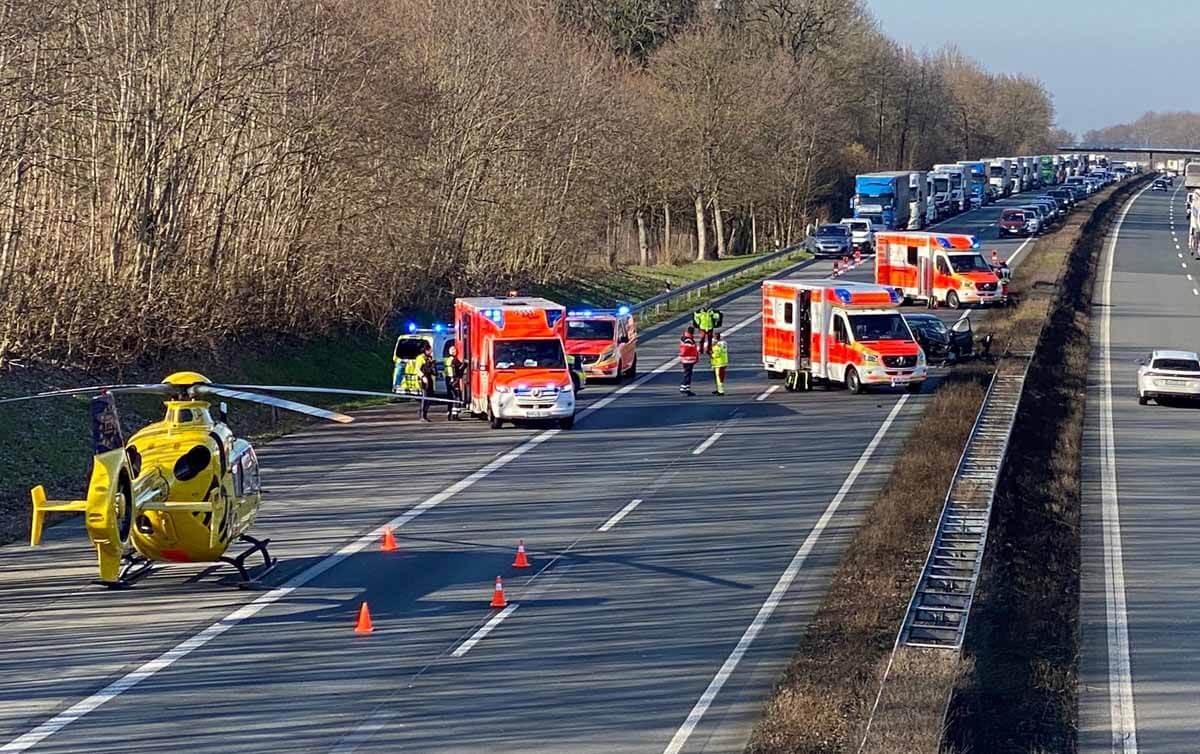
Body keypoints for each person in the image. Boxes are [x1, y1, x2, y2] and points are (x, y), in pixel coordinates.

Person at [443, 343, 466, 420]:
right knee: (457, 397)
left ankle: (449, 413)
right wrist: (465, 364)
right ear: (452, 352)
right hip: (454, 380)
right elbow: (460, 369)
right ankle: (455, 415)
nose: (455, 351)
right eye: (454, 350)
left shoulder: (447, 360)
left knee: (449, 397)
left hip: (448, 379)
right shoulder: (455, 360)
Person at [415, 341, 436, 422]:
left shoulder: (429, 358)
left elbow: (432, 370)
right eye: (430, 350)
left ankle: (424, 413)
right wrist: (423, 377)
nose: (431, 352)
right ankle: (422, 415)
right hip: (423, 379)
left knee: (430, 397)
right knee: (425, 396)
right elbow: (417, 369)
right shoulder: (420, 358)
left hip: (429, 378)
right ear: (426, 350)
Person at [678, 326, 699, 396]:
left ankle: (687, 389)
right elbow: (686, 349)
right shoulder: (688, 340)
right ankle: (684, 387)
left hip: (686, 359)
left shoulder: (685, 338)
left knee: (688, 374)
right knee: (688, 374)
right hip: (688, 359)